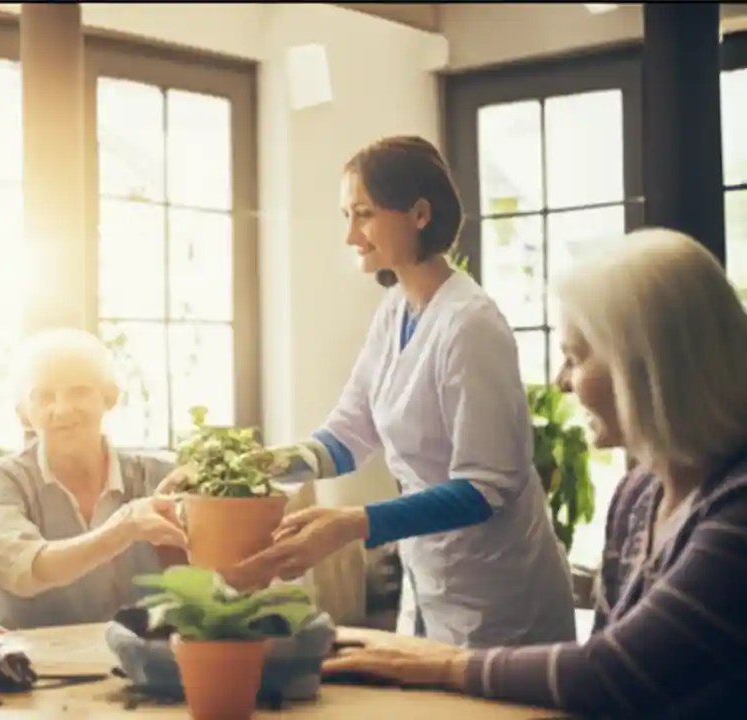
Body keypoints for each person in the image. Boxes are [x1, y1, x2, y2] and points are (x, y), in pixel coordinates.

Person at [166, 136, 575, 648]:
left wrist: (351, 523)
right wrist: (251, 467)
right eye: (347, 215)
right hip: (430, 584)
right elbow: (346, 436)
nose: (350, 236)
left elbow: (485, 488)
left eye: (363, 214)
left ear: (419, 214)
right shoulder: (395, 311)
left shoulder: (471, 325)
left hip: (501, 598)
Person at [321, 228, 747, 717]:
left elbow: (615, 674)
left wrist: (437, 663)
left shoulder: (736, 511)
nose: (563, 383)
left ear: (647, 364)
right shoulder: (639, 496)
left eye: (576, 357)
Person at [0, 328, 187, 630]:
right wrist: (123, 528)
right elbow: (18, 570)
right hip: (38, 667)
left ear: (110, 398)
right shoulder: (7, 478)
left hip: (149, 661)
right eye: (44, 396)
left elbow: (214, 577)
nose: (61, 410)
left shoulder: (160, 476)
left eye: (79, 391)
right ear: (24, 413)